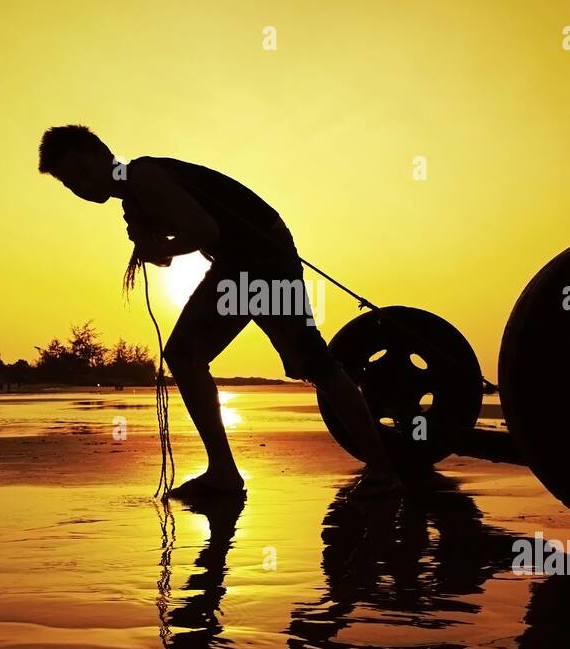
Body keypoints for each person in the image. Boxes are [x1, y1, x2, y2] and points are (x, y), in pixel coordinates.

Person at [38, 124, 400, 496]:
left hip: (259, 258)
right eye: (71, 184)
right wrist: (153, 245)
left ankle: (378, 469)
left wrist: (161, 246)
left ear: (102, 152)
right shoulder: (134, 199)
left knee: (290, 360)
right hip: (244, 262)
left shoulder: (144, 176)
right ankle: (230, 472)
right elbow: (180, 244)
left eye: (81, 172)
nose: (81, 187)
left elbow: (205, 232)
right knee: (293, 361)